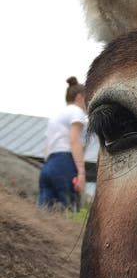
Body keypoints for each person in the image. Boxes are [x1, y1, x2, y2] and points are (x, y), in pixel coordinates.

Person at [38, 76, 87, 211]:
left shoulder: (55, 116)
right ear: (79, 97)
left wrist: (48, 166)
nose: (87, 104)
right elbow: (74, 140)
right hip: (65, 163)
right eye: (86, 100)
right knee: (70, 211)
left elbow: (46, 148)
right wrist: (81, 173)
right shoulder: (77, 112)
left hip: (47, 166)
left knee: (42, 216)